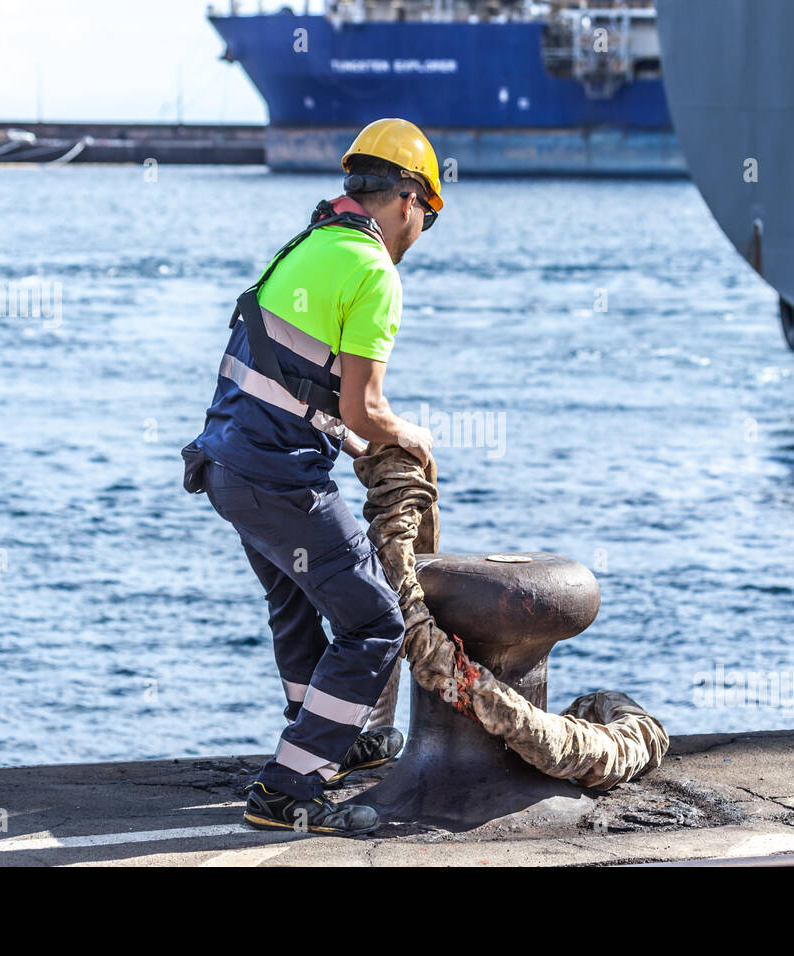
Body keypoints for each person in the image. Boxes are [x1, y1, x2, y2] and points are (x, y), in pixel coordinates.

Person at [185, 118, 442, 836]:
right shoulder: (373, 272)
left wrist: (355, 435)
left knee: (296, 603)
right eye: (427, 215)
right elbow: (365, 406)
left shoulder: (307, 245)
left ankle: (327, 735)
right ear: (407, 198)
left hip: (224, 467)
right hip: (277, 478)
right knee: (375, 624)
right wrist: (407, 436)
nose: (421, 231)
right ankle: (288, 787)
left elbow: (300, 387)